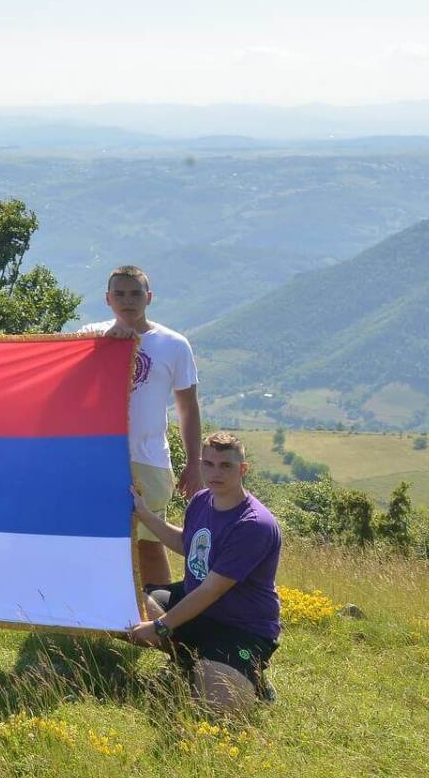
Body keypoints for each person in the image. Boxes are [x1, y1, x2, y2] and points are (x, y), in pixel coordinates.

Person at [125, 432, 282, 711]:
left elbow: (212, 589)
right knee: (128, 607)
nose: (215, 473)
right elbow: (187, 544)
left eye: (225, 466)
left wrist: (160, 626)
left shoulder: (253, 524)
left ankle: (249, 673)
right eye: (208, 464)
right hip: (197, 608)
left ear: (243, 469)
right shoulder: (200, 501)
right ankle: (187, 657)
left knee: (215, 708)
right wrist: (145, 514)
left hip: (240, 626)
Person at [81, 265, 201, 589]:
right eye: (119, 294)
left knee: (149, 543)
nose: (128, 301)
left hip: (149, 459)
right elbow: (68, 383)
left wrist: (194, 462)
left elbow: (188, 407)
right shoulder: (90, 336)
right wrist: (103, 343)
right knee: (100, 541)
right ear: (107, 299)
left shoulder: (174, 344)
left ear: (149, 297)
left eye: (135, 293)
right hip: (100, 458)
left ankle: (160, 611)